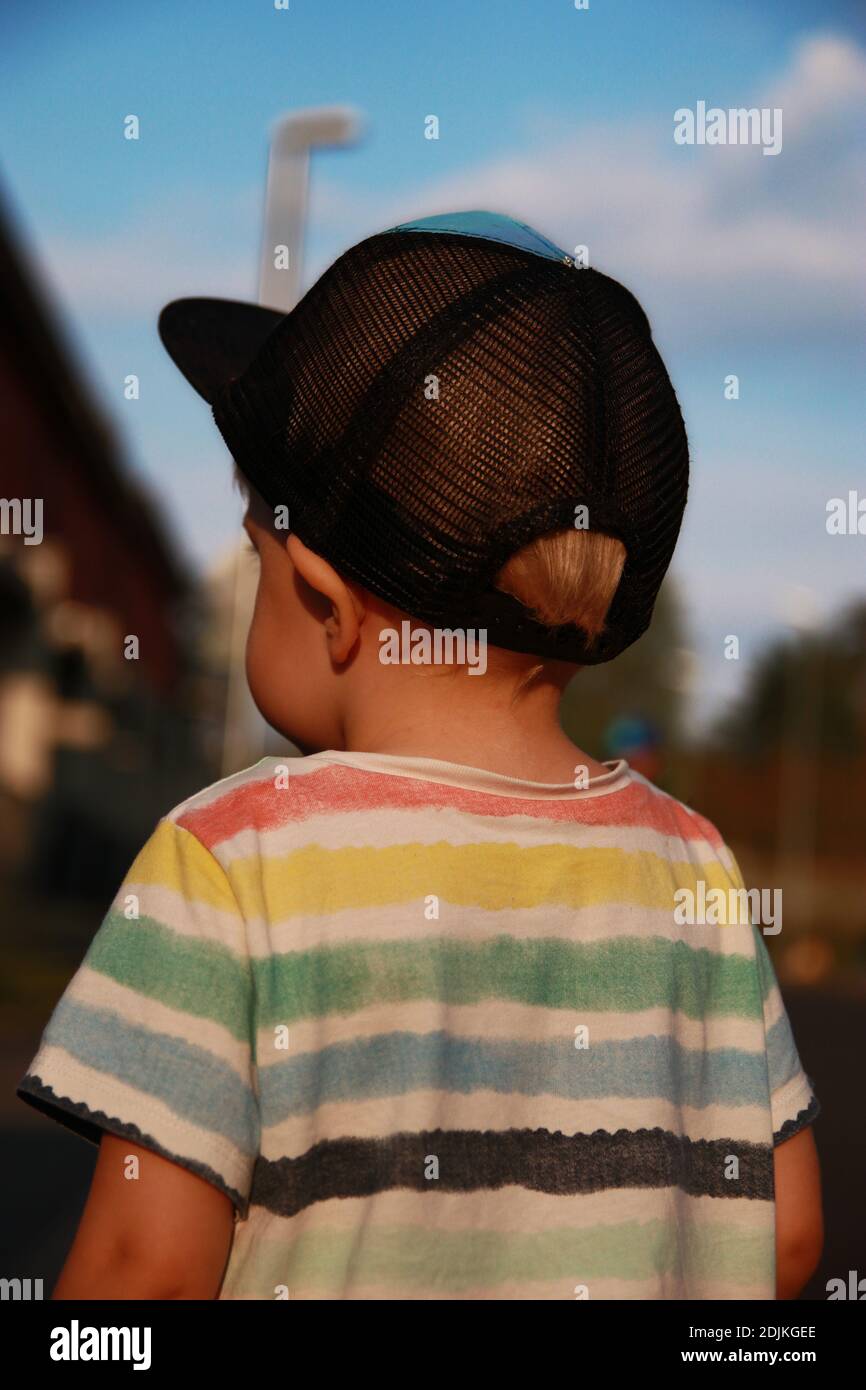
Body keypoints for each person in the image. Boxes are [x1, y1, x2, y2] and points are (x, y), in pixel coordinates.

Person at [17, 211, 822, 1300]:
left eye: (255, 551)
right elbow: (785, 1236)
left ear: (322, 599)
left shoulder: (226, 863)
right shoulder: (693, 865)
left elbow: (138, 1272)